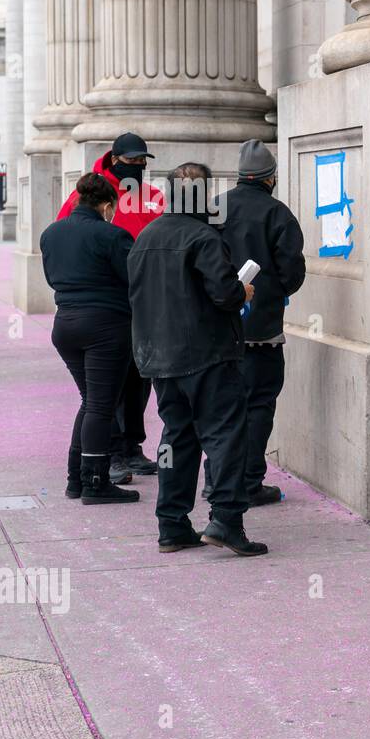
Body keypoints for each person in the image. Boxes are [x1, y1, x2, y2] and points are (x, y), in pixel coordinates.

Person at [128, 162, 266, 557]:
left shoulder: (146, 237)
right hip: (206, 354)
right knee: (224, 435)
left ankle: (172, 525)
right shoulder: (203, 237)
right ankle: (225, 518)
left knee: (177, 437)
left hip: (159, 356)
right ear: (202, 196)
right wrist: (243, 292)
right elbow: (224, 295)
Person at [200, 140, 305, 507]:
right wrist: (273, 291)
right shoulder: (278, 214)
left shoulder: (213, 209)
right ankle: (248, 481)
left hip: (217, 329)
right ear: (270, 178)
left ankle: (215, 480)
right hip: (262, 331)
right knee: (259, 404)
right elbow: (292, 272)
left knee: (220, 409)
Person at [58, 132, 166, 484]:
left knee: (139, 378)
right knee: (109, 386)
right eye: (130, 161)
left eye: (141, 162)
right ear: (114, 160)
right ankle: (112, 452)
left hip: (144, 304)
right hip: (108, 307)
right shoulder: (86, 198)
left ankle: (132, 446)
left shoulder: (152, 197)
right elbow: (66, 241)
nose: (136, 167)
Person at [39, 173, 138, 505]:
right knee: (100, 405)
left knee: (91, 402)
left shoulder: (51, 234)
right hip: (105, 327)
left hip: (65, 324)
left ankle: (76, 479)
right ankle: (95, 482)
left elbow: (53, 276)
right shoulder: (112, 235)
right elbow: (134, 281)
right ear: (107, 206)